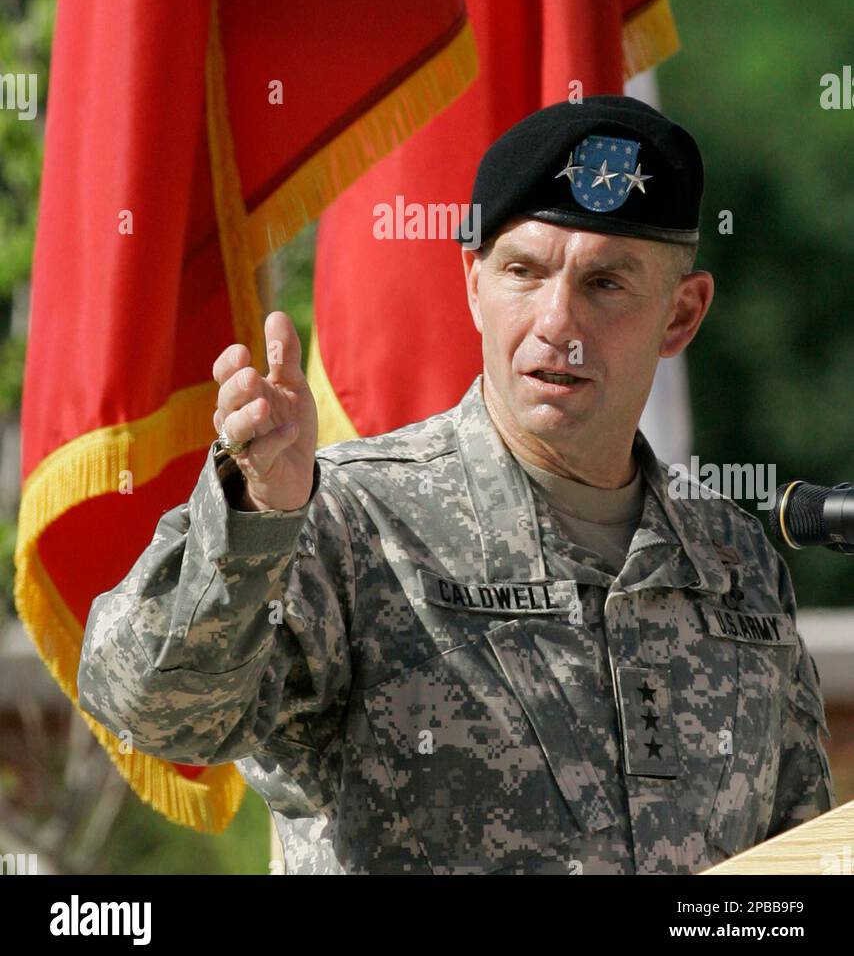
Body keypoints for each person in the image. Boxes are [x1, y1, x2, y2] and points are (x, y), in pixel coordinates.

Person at [77, 94, 835, 875]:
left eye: (605, 284)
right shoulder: (349, 523)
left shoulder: (732, 562)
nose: (556, 322)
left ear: (681, 314)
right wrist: (256, 519)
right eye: (523, 272)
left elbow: (796, 863)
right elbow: (150, 711)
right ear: (473, 284)